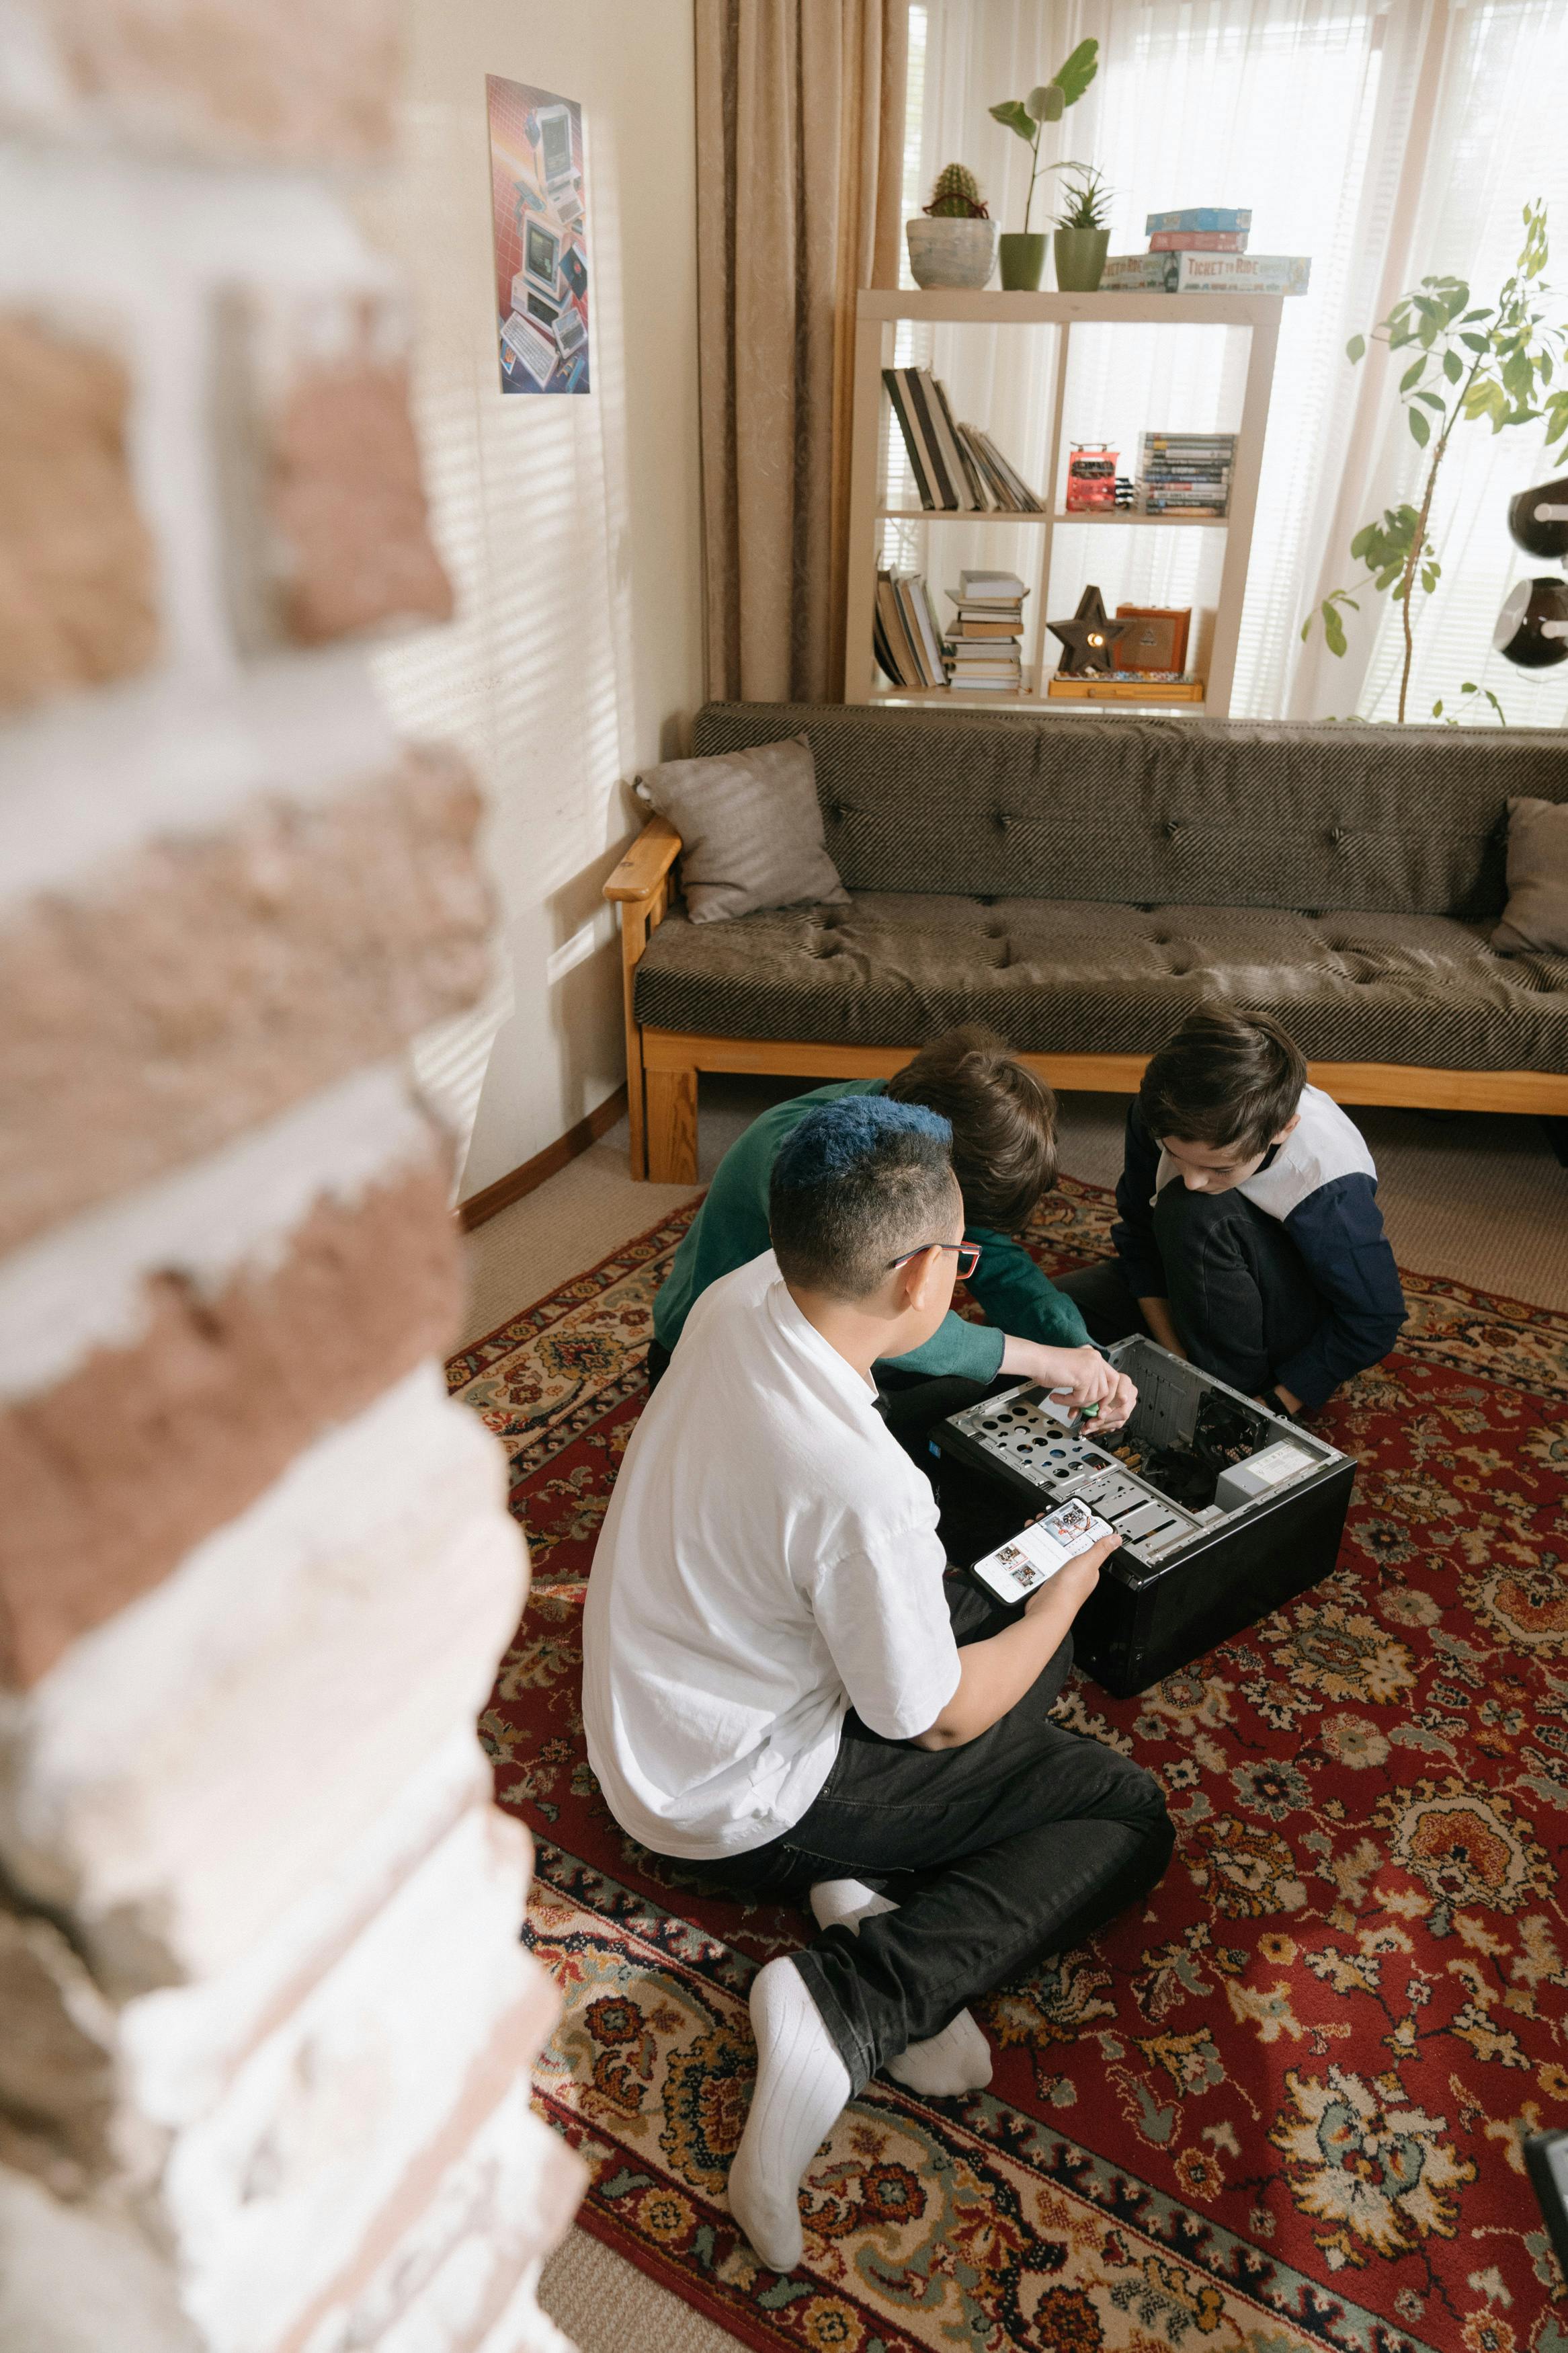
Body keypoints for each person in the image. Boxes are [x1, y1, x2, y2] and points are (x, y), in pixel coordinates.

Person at [582, 1096, 1174, 2273]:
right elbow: (937, 1716)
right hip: (729, 1798)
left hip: (648, 1704)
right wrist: (1066, 1591)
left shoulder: (736, 1294)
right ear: (919, 1278)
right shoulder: (863, 1486)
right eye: (962, 1261)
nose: (962, 1280)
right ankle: (851, 2002)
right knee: (1117, 1806)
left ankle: (852, 1884)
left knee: (967, 1587)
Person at [649, 1025, 1134, 1433]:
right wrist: (1039, 1360)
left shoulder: (904, 1120)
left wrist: (1075, 1346)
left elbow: (991, 1254)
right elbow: (876, 1313)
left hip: (826, 1336)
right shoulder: (820, 1176)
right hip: (707, 1369)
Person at [1058, 1007, 1407, 1418]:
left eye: (1218, 1167)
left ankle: (1230, 1392)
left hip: (1284, 1325)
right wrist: (1176, 1358)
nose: (1191, 1178)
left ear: (1282, 1130)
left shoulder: (1329, 1185)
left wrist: (1276, 1403)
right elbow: (1138, 1236)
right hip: (1195, 1273)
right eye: (1175, 1155)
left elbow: (1375, 1317)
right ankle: (1200, 1370)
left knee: (1190, 1210)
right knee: (1042, 1315)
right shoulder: (1158, 1113)